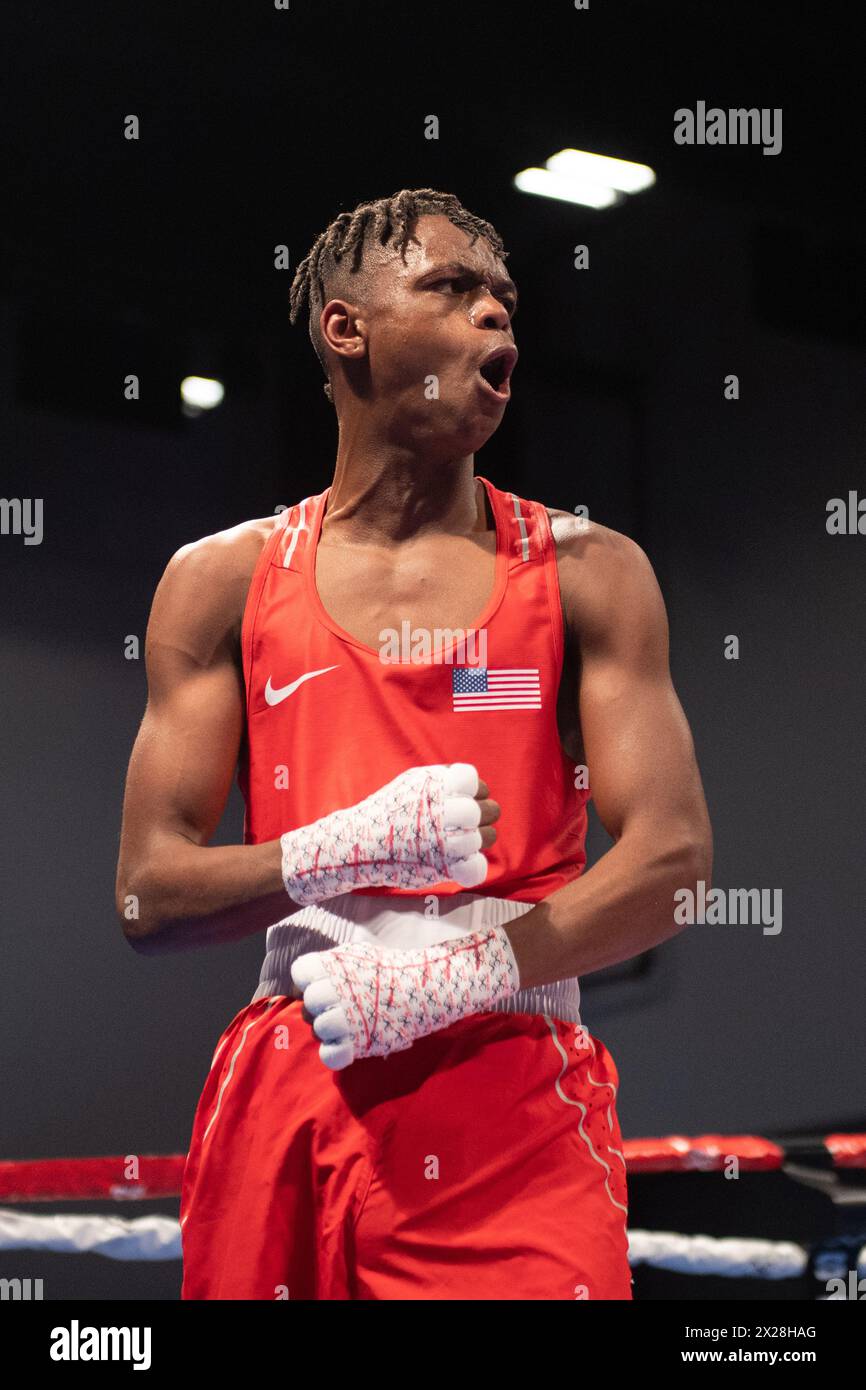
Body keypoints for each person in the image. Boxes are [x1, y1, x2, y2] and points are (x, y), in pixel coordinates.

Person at [115, 187, 712, 1300]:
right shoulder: (221, 581)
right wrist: (334, 850)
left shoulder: (588, 570)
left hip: (508, 1089)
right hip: (295, 1070)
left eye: (505, 299)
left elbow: (670, 862)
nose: (497, 318)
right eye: (451, 287)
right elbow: (148, 894)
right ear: (346, 329)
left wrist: (464, 977)